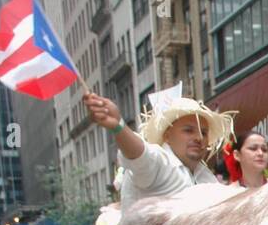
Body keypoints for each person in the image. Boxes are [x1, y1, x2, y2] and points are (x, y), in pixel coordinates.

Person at [82, 89, 234, 212]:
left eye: (204, 133)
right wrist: (118, 126)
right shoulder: (160, 163)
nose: (199, 138)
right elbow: (140, 155)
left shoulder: (207, 178)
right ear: (167, 135)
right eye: (189, 130)